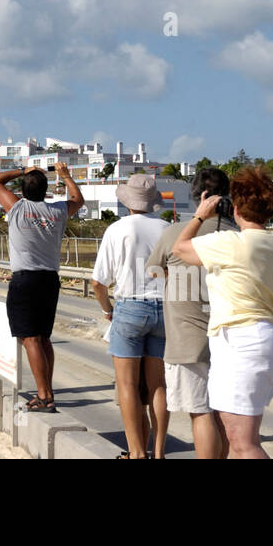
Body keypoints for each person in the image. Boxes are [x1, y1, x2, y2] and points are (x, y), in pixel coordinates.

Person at [173, 167, 273, 459]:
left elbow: (180, 248)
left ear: (235, 208)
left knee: (242, 441)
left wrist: (200, 215)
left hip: (241, 341)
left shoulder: (231, 243)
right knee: (244, 436)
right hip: (271, 338)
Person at [146, 167, 231, 460]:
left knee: (201, 412)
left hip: (187, 338)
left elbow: (154, 271)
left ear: (198, 196)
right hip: (230, 337)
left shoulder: (174, 233)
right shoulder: (238, 234)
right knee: (223, 415)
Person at [0, 162, 83, 412]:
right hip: (50, 279)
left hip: (25, 279)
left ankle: (44, 395)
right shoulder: (58, 211)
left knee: (30, 339)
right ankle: (47, 390)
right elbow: (77, 199)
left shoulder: (16, 208)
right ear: (46, 190)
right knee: (43, 338)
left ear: (23, 190)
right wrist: (66, 176)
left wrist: (22, 170)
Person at [91, 173, 170, 459]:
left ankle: (136, 453)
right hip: (164, 309)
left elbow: (99, 282)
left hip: (130, 306)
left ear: (128, 201)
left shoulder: (118, 229)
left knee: (126, 384)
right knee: (158, 386)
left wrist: (107, 310)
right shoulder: (168, 229)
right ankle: (158, 452)